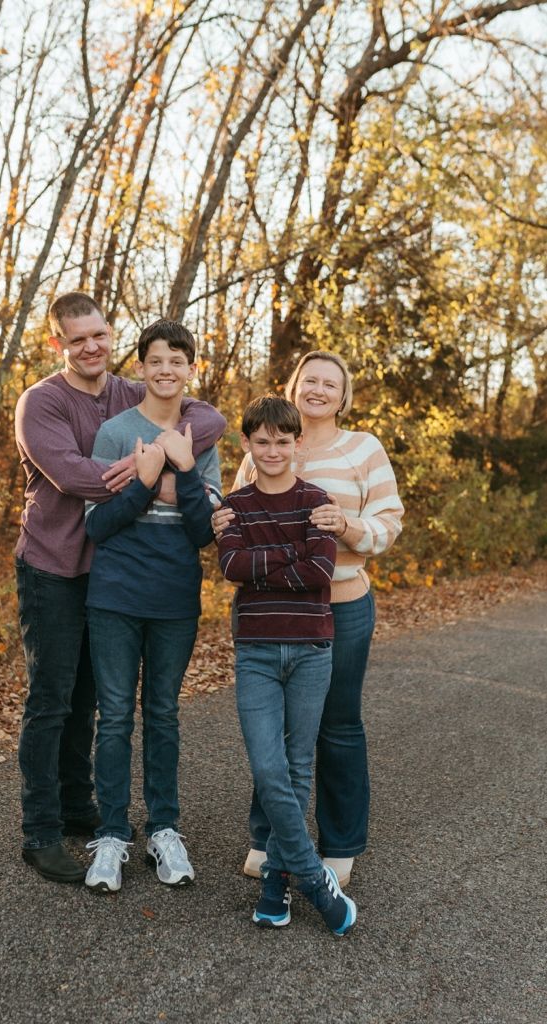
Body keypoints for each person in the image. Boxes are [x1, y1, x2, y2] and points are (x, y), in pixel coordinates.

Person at [14, 294, 225, 883]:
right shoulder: (43, 402)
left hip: (110, 573)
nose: (91, 347)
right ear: (58, 344)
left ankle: (83, 806)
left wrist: (166, 450)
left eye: (99, 335)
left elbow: (210, 419)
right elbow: (78, 476)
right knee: (53, 698)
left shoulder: (128, 391)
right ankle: (41, 828)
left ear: (112, 338)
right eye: (77, 338)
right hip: (56, 565)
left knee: (90, 699)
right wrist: (159, 475)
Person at [215, 351, 403, 889]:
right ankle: (270, 838)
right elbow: (237, 516)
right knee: (273, 731)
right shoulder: (267, 443)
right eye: (310, 380)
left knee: (336, 725)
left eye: (330, 384)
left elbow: (388, 523)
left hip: (342, 604)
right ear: (295, 386)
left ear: (343, 396)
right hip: (273, 609)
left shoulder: (363, 449)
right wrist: (221, 520)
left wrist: (344, 525)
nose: (318, 390)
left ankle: (340, 842)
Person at [82, 319, 221, 893]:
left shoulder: (201, 440)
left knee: (162, 713)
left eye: (177, 360)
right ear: (140, 367)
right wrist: (140, 484)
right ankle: (112, 835)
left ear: (192, 369)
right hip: (114, 597)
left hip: (174, 599)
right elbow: (97, 525)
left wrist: (183, 469)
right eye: (156, 360)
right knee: (114, 715)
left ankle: (163, 829)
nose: (166, 370)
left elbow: (203, 532)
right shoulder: (116, 431)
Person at [217, 394, 356, 934]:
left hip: (311, 648)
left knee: (299, 765)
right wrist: (286, 558)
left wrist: (263, 565)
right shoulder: (235, 505)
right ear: (247, 446)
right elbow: (231, 565)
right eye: (261, 441)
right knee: (268, 766)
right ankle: (315, 879)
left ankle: (276, 880)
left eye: (282, 441)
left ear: (297, 444)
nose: (272, 450)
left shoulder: (319, 501)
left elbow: (320, 570)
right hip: (256, 651)